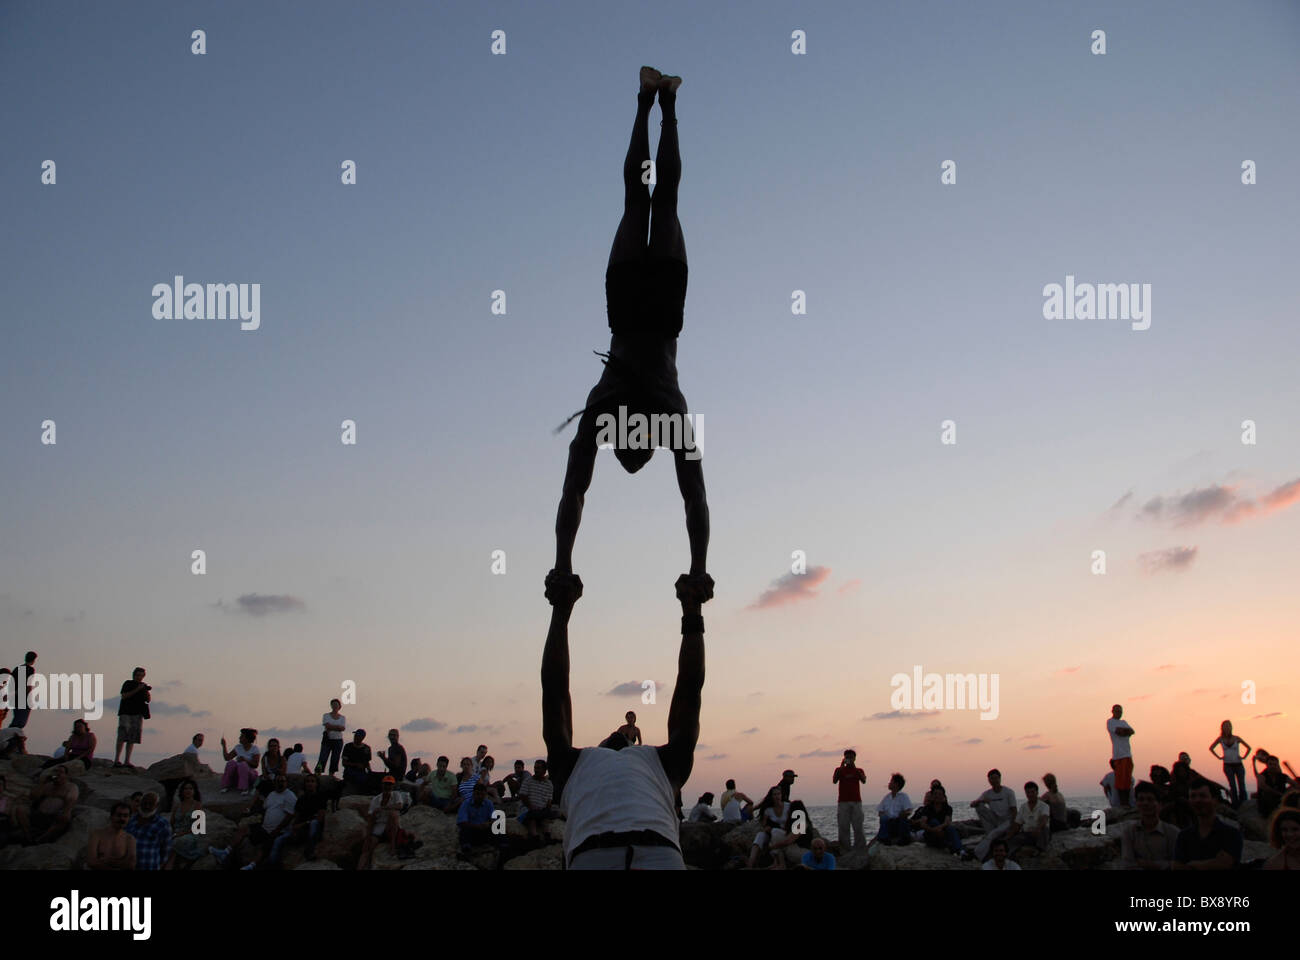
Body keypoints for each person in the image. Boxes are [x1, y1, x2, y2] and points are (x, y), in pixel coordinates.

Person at [551, 66, 710, 586]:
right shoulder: (612, 410)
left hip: (658, 313)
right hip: (637, 308)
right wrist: (562, 563)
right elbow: (576, 488)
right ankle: (650, 102)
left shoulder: (658, 414)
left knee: (657, 201)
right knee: (643, 200)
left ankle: (661, 106)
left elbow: (694, 497)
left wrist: (699, 569)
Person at [542, 568, 711, 869]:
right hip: (658, 851)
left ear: (602, 746)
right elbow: (689, 688)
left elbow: (555, 690)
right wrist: (691, 610)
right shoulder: (662, 763)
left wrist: (561, 610)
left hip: (594, 853)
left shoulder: (572, 765)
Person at [1172, 778, 1243, 870]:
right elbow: (1176, 866)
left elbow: (1224, 864)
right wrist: (1210, 863)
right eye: (1193, 796)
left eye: (1203, 796)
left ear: (1215, 800)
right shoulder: (1184, 836)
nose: (1197, 800)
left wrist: (1192, 865)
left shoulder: (1231, 834)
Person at [1120, 781, 1180, 870]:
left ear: (1160, 804)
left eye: (1150, 799)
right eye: (1141, 799)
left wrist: (1150, 864)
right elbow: (1128, 865)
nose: (1145, 803)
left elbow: (1178, 865)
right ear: (1136, 804)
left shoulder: (1173, 833)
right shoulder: (1129, 832)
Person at [272, 772, 328, 863]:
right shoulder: (301, 799)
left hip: (313, 830)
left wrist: (303, 824)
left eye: (312, 781)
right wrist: (293, 827)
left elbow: (319, 818)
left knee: (314, 823)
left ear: (317, 784)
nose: (310, 783)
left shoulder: (321, 797)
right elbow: (296, 816)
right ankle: (273, 864)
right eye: (308, 781)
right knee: (279, 840)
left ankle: (310, 851)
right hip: (301, 830)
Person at [970, 769, 1017, 862]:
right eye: (991, 779)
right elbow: (972, 804)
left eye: (996, 778)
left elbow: (1014, 811)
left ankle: (977, 854)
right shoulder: (987, 793)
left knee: (992, 835)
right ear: (989, 780)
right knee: (979, 806)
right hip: (995, 819)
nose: (994, 781)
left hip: (1007, 821)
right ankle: (989, 831)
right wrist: (982, 801)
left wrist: (1013, 828)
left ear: (1000, 779)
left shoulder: (1008, 792)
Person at [26, 765, 79, 844]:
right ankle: (27, 836)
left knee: (64, 820)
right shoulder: (48, 786)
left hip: (54, 816)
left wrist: (66, 812)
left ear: (66, 775)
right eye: (55, 771)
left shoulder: (71, 787)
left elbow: (71, 800)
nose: (57, 774)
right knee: (21, 810)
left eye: (60, 772)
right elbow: (33, 796)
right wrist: (42, 783)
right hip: (39, 813)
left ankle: (40, 839)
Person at [748, 786, 797, 869]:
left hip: (786, 833)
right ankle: (750, 862)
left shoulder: (788, 806)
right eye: (774, 794)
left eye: (778, 794)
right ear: (771, 796)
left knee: (774, 832)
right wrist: (767, 828)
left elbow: (794, 823)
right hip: (773, 833)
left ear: (781, 795)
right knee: (760, 835)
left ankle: (777, 862)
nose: (777, 796)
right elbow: (764, 825)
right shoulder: (768, 810)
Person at [456, 778, 501, 865]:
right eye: (477, 794)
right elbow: (462, 822)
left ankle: (501, 846)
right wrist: (477, 826)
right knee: (464, 830)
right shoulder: (466, 803)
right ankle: (466, 851)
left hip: (484, 831)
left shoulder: (488, 803)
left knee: (499, 826)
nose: (480, 796)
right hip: (472, 831)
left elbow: (493, 818)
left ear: (485, 795)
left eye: (482, 794)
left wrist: (488, 823)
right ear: (473, 794)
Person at [1209, 720, 1251, 809]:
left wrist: (1243, 757)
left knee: (1242, 785)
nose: (1227, 728)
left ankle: (1244, 804)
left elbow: (1248, 748)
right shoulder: (1220, 739)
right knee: (1232, 785)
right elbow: (1211, 748)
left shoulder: (1236, 738)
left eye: (1228, 726)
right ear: (1222, 728)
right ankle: (1235, 805)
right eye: (1225, 726)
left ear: (1231, 727)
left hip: (1238, 764)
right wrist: (1219, 757)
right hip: (1227, 765)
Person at [910, 784, 962, 856]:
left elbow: (947, 822)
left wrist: (939, 828)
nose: (937, 796)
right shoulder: (927, 808)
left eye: (940, 794)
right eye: (935, 794)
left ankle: (960, 851)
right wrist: (933, 830)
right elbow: (923, 823)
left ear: (943, 796)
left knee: (951, 828)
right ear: (932, 796)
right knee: (933, 822)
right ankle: (949, 845)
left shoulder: (947, 808)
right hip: (931, 835)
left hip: (943, 834)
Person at [114, 666, 151, 768]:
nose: (139, 677)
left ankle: (127, 760)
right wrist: (137, 689)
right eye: (137, 675)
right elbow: (124, 696)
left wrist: (146, 691)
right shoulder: (128, 683)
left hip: (137, 713)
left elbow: (148, 700)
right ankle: (117, 759)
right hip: (126, 712)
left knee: (132, 737)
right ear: (134, 675)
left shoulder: (142, 686)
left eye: (141, 675)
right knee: (122, 735)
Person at [124, 791, 171, 871]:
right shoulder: (131, 821)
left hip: (150, 865)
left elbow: (166, 849)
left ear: (156, 806)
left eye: (151, 804)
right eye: (145, 803)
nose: (147, 806)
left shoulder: (163, 824)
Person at [167, 778, 206, 869]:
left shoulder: (197, 805)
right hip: (176, 833)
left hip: (191, 834)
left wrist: (180, 834)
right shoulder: (177, 806)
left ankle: (168, 865)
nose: (188, 791)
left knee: (177, 842)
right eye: (185, 788)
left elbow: (198, 827)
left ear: (194, 791)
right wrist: (174, 833)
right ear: (182, 791)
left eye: (190, 788)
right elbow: (172, 822)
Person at [832, 749, 867, 851]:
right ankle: (845, 848)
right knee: (843, 826)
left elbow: (863, 780)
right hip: (843, 802)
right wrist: (841, 767)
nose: (849, 759)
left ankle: (860, 848)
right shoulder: (839, 770)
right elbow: (834, 780)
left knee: (858, 826)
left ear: (855, 758)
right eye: (847, 757)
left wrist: (854, 768)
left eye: (851, 757)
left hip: (856, 801)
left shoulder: (859, 770)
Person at [1005, 781, 1051, 857]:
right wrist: (1009, 835)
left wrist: (1038, 828)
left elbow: (1044, 818)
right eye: (1028, 792)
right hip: (1027, 834)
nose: (1030, 795)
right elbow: (1017, 824)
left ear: (1037, 792)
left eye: (1032, 792)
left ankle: (1040, 850)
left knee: (1044, 830)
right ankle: (1011, 854)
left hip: (1040, 832)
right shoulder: (1023, 807)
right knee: (1013, 839)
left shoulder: (1044, 806)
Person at [86, 802, 136, 870]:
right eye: (119, 815)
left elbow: (131, 864)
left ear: (129, 818)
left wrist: (107, 861)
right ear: (111, 816)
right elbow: (91, 862)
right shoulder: (97, 835)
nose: (122, 819)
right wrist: (120, 863)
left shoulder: (129, 839)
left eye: (125, 816)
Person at [1107, 704, 1135, 807]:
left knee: (1127, 780)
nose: (1119, 713)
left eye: (1120, 711)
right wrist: (1125, 731)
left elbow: (1132, 731)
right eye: (1117, 711)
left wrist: (1125, 731)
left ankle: (1127, 803)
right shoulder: (1110, 722)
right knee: (1120, 781)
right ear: (1113, 711)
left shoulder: (1124, 722)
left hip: (1128, 754)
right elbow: (1119, 732)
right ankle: (1122, 804)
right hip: (1119, 755)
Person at [1253, 750, 1294, 818]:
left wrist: (1289, 791)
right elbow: (1263, 786)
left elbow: (1294, 784)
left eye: (1274, 764)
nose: (1273, 766)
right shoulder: (1262, 776)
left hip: (1280, 801)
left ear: (1277, 765)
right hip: (1267, 805)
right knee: (1267, 795)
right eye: (1270, 764)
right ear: (1267, 765)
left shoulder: (1282, 776)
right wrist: (1280, 794)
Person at [874, 773, 912, 846]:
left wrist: (903, 813)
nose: (889, 783)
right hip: (889, 823)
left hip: (898, 822)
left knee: (902, 819)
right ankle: (884, 839)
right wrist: (883, 815)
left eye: (891, 781)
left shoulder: (903, 796)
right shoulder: (887, 797)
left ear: (896, 784)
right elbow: (880, 811)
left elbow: (909, 810)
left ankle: (900, 839)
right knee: (884, 819)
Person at [218, 728, 260, 794]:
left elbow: (256, 765)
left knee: (242, 765)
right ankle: (225, 786)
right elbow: (227, 758)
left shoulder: (255, 749)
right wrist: (224, 745)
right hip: (238, 775)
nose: (239, 737)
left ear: (247, 738)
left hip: (249, 775)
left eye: (242, 736)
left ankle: (244, 788)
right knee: (231, 763)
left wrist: (245, 760)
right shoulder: (238, 747)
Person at [7, 652, 37, 729]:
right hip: (24, 699)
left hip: (15, 698)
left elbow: (10, 683)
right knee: (20, 723)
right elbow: (28, 686)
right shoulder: (30, 670)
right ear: (33, 660)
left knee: (17, 720)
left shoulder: (17, 669)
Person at [317, 699, 346, 775]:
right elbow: (327, 726)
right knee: (322, 757)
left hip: (338, 740)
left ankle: (331, 774)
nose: (335, 706)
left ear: (339, 706)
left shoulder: (342, 717)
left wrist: (332, 727)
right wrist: (337, 727)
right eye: (333, 704)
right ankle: (318, 773)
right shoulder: (326, 715)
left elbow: (342, 728)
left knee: (335, 758)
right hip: (327, 739)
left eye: (336, 704)